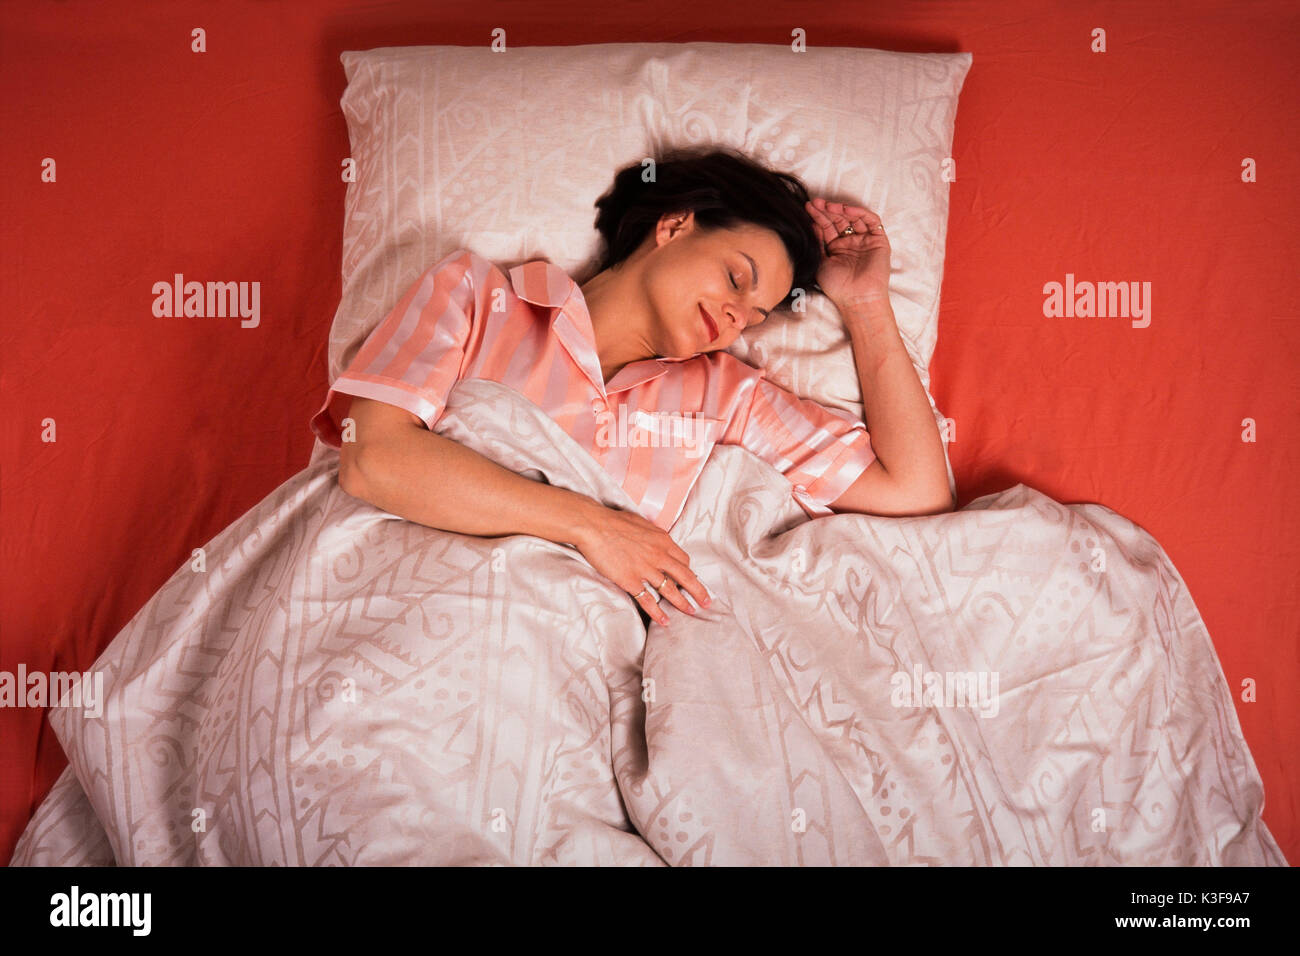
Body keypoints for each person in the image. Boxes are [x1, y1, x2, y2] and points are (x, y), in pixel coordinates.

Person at [309, 145, 951, 629]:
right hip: (386, 606)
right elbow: (373, 457)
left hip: (556, 653)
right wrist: (592, 527)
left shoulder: (726, 395)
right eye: (736, 278)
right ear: (674, 226)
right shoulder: (479, 296)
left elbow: (917, 492)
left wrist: (865, 305)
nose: (737, 318)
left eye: (755, 316)